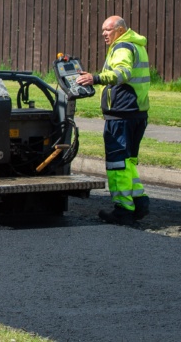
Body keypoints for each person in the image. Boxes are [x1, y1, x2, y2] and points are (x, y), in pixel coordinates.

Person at [75, 16, 150, 225]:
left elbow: (122, 72)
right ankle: (139, 200)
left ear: (120, 29)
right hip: (137, 112)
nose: (104, 34)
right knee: (128, 161)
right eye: (102, 31)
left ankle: (123, 209)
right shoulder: (137, 45)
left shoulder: (123, 47)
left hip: (122, 114)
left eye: (107, 30)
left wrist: (95, 78)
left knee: (117, 163)